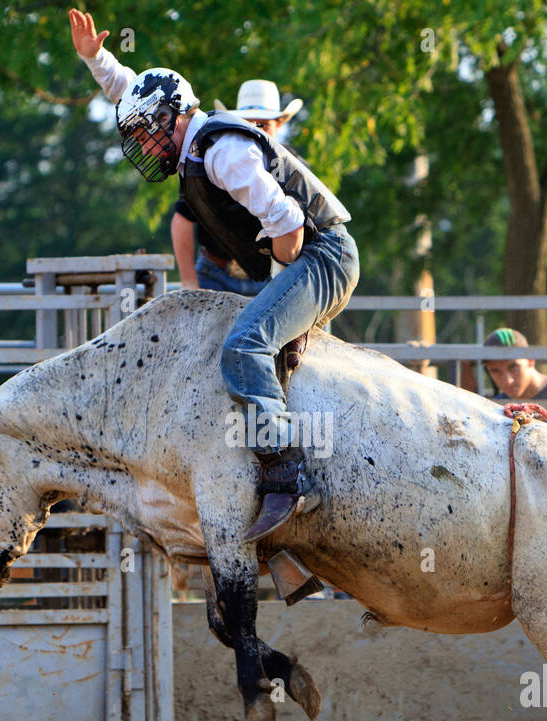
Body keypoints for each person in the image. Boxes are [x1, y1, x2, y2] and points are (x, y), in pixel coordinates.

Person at [70, 8, 359, 543]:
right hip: (306, 258)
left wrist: (279, 292)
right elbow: (130, 88)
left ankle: (289, 477)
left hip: (324, 256)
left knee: (244, 346)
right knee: (236, 348)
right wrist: (96, 59)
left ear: (175, 119)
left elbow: (290, 223)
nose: (144, 145)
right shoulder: (192, 136)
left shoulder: (224, 152)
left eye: (148, 133)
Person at [171, 80, 304, 295]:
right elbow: (183, 219)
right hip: (216, 275)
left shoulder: (291, 166)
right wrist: (189, 284)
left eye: (264, 124)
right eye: (249, 123)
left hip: (272, 275)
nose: (255, 130)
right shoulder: (214, 157)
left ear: (278, 125)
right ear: (237, 124)